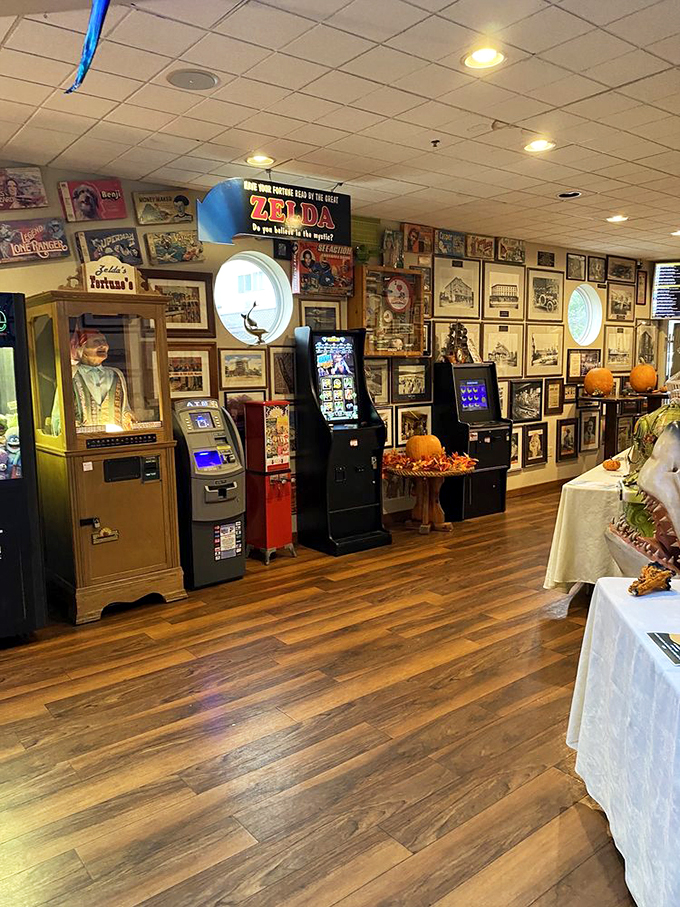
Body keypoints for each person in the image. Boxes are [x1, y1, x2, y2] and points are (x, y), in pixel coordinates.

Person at [70, 330, 134, 432]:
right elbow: (60, 415)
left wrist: (128, 416)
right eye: (96, 342)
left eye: (104, 341)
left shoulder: (116, 374)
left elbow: (124, 408)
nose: (103, 346)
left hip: (114, 440)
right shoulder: (71, 374)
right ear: (82, 348)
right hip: (83, 442)